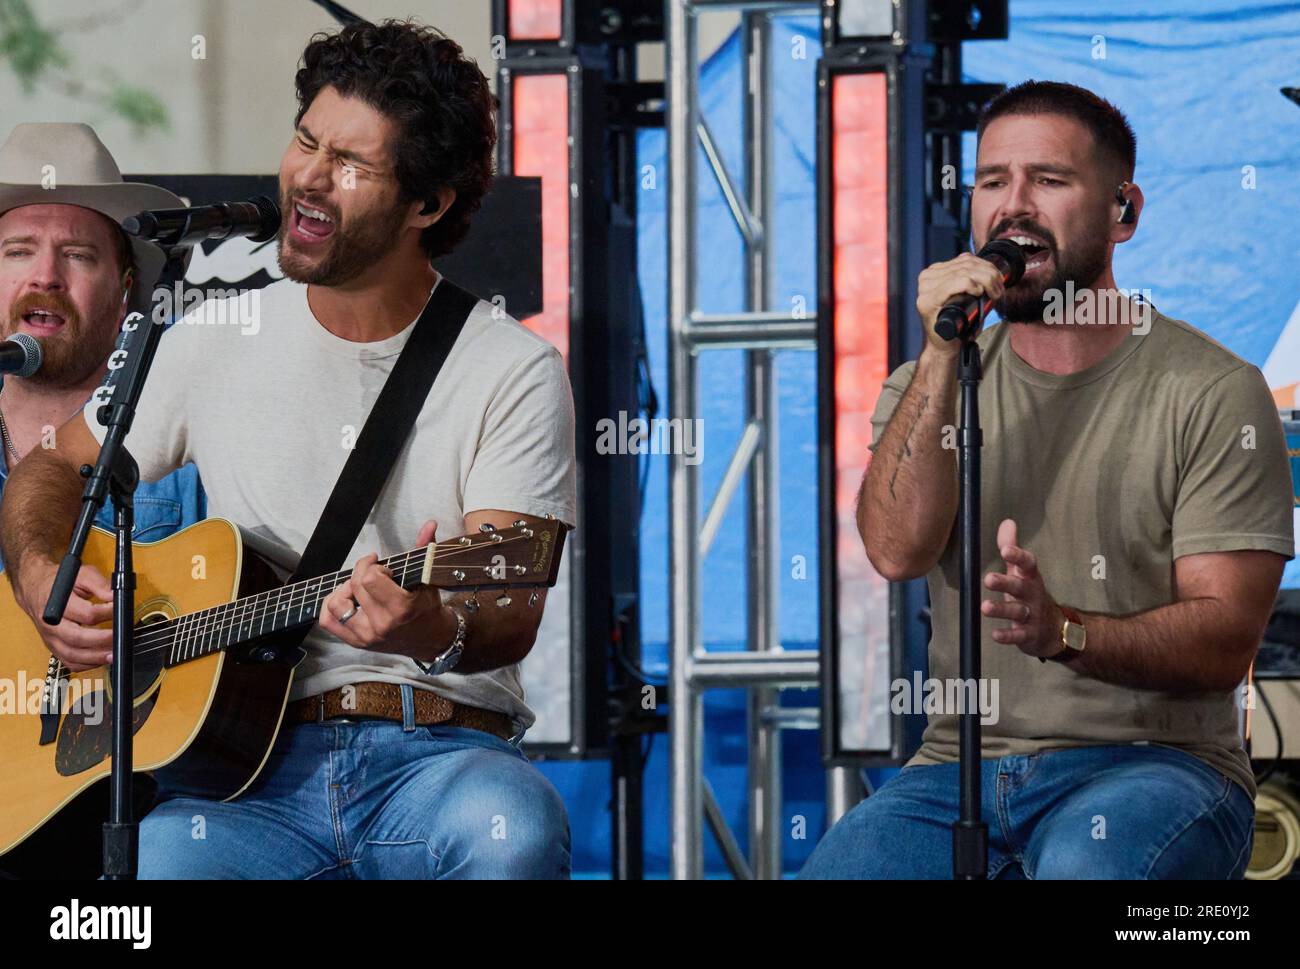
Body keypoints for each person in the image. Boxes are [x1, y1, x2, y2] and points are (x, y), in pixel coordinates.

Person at [0, 20, 575, 880]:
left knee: (512, 831)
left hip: (440, 757)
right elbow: (53, 466)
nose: (308, 176)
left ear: (428, 203)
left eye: (351, 164)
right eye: (306, 140)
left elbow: (508, 611)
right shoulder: (207, 337)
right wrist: (43, 565)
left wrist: (431, 626)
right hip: (248, 777)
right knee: (157, 865)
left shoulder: (511, 369)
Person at [802, 80, 1294, 879]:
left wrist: (1064, 631)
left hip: (1156, 765)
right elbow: (894, 551)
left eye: (1049, 180)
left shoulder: (1210, 390)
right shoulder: (935, 379)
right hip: (953, 770)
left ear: (1123, 211)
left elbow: (1223, 639)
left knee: (1084, 866)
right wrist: (938, 352)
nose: (1013, 206)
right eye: (992, 180)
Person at [0, 122, 206, 880]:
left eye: (78, 255)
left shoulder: (188, 437)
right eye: (18, 252)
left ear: (126, 292)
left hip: (148, 793)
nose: (44, 276)